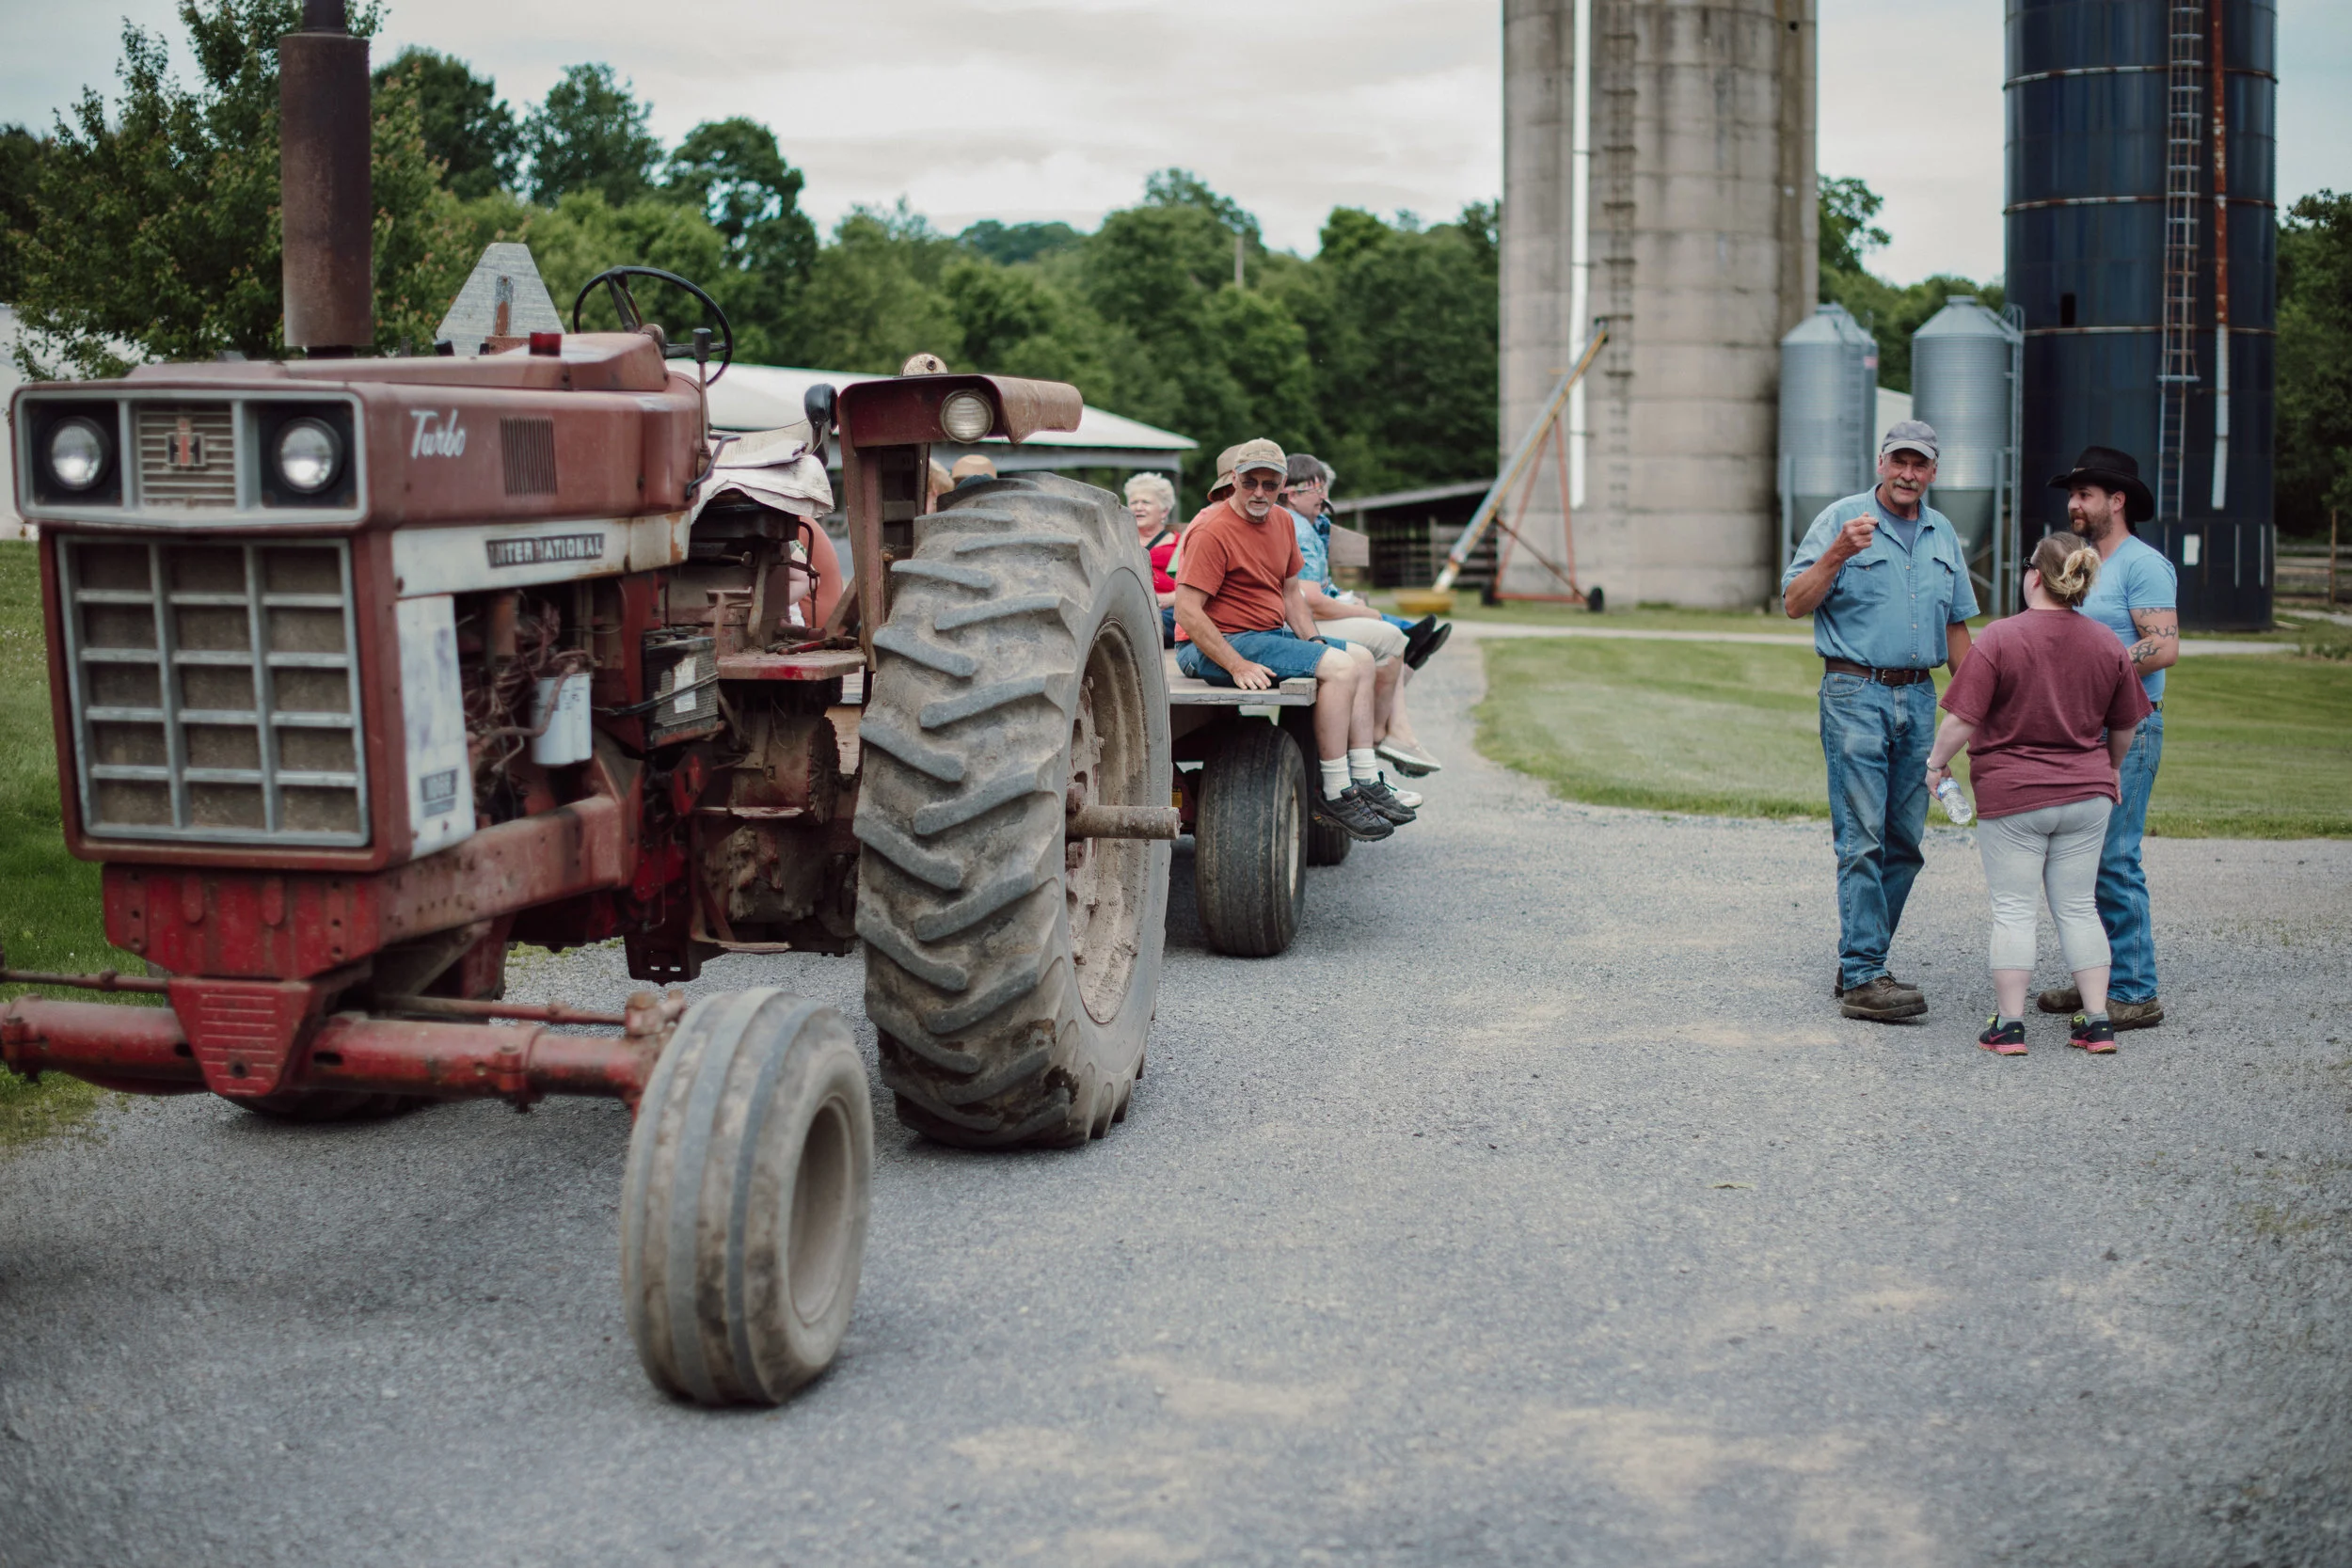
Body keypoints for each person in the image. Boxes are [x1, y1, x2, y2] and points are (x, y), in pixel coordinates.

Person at [1780, 420, 1979, 1022]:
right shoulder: (1842, 521)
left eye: (1920, 465)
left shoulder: (1943, 533)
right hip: (1855, 692)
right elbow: (1794, 603)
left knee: (1904, 844)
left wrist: (1977, 711)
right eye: (1900, 461)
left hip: (1919, 699)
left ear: (1934, 472)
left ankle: (1861, 959)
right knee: (1861, 838)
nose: (1908, 474)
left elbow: (1958, 629)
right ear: (1881, 463)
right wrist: (1838, 553)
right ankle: (1866, 973)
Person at [1928, 533, 2151, 1055]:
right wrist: (2111, 769)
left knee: (2013, 909)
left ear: (2034, 575)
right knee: (2077, 907)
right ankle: (2097, 1023)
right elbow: (2126, 726)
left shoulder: (2001, 639)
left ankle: (2009, 1026)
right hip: (2087, 792)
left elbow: (1962, 719)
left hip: (2015, 795)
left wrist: (1937, 765)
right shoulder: (2105, 643)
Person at [1173, 438, 1414, 842]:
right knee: (1339, 669)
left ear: (1283, 484)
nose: (1259, 493)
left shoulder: (1283, 522)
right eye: (1250, 482)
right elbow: (1187, 612)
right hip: (1212, 645)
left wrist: (1314, 640)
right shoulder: (1211, 530)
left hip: (1264, 635)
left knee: (1362, 658)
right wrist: (1236, 664)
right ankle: (1336, 792)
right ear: (1234, 479)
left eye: (1270, 485)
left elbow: (1290, 595)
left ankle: (1366, 778)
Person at [2033, 446, 2178, 1033]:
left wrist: (2091, 666)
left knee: (2115, 859)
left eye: (2084, 494)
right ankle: (2097, 976)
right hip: (2080, 728)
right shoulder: (2082, 562)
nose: (2073, 504)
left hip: (2131, 727)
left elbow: (2163, 646)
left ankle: (2136, 991)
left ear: (2116, 502)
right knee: (2078, 861)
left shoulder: (2142, 563)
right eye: (2071, 494)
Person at [1280, 455, 1447, 775]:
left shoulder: (1300, 523)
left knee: (1391, 638)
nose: (1324, 499)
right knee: (1391, 639)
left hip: (1301, 617)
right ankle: (1378, 738)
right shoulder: (1299, 529)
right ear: (1292, 493)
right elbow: (1311, 600)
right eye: (1317, 491)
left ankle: (1398, 734)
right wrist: (1366, 612)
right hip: (1300, 623)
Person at [1126, 472, 1183, 645]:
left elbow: (1196, 583)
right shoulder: (1118, 541)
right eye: (1134, 502)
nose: (1138, 507)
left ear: (1164, 510)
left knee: (1164, 619)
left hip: (1166, 609)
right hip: (1127, 607)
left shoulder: (1179, 543)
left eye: (1146, 502)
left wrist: (1171, 598)